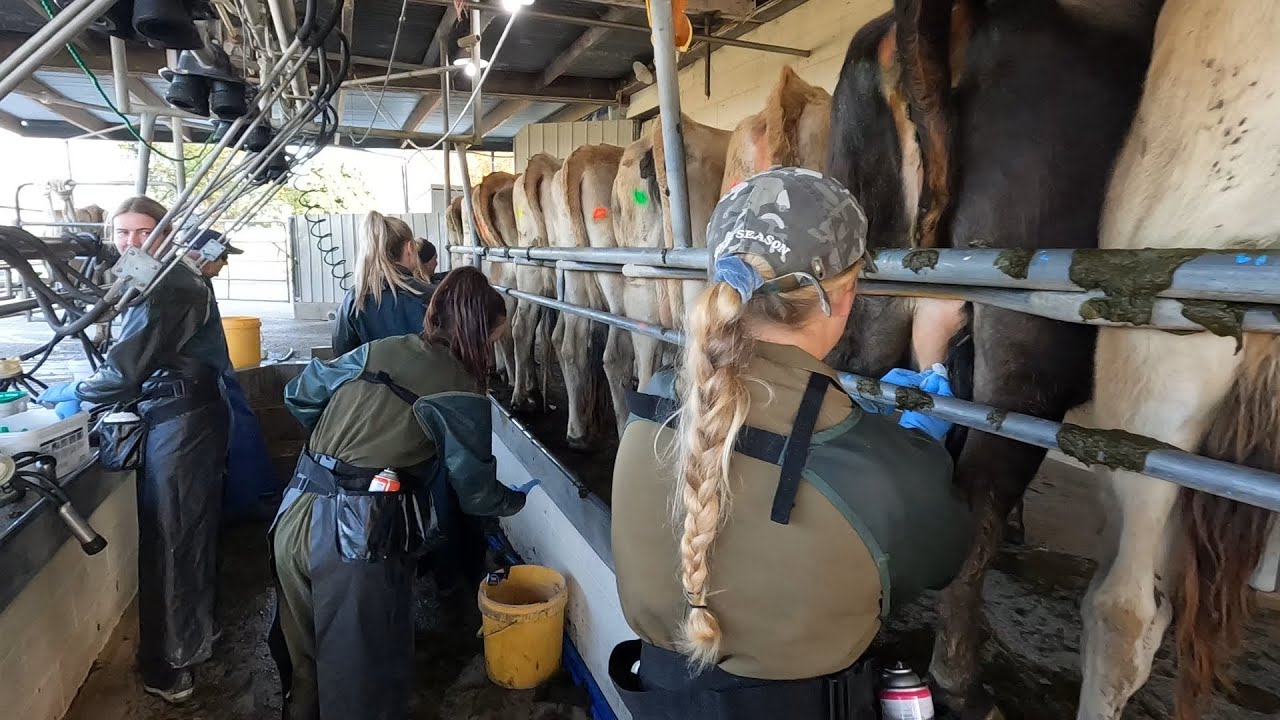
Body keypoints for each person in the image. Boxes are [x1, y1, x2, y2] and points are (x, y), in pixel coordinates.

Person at [608, 168, 973, 719]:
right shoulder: (878, 474)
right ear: (844, 296)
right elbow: (943, 557)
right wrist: (930, 370)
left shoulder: (649, 408)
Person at [271, 266, 529, 720]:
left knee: (305, 660)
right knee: (361, 679)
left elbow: (300, 393)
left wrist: (345, 446)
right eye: (495, 339)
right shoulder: (461, 390)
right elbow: (476, 493)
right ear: (480, 333)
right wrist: (520, 498)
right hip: (355, 538)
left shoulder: (379, 349)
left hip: (295, 511)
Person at [37, 196, 231, 702]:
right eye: (122, 233)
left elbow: (124, 373)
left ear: (165, 233)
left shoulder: (166, 285)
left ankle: (170, 665)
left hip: (178, 421)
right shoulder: (173, 277)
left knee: (170, 539)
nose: (130, 242)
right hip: (194, 414)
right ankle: (200, 634)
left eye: (143, 231)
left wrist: (74, 393)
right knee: (193, 533)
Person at [188, 230, 278, 520]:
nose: (225, 263)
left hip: (216, 371)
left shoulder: (199, 282)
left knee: (242, 424)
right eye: (223, 256)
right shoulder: (187, 285)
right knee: (238, 427)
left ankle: (256, 495)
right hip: (205, 375)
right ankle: (247, 502)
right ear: (205, 253)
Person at [331, 211, 433, 356]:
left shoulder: (354, 300)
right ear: (410, 248)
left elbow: (341, 358)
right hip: (426, 377)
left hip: (371, 378)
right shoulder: (432, 296)